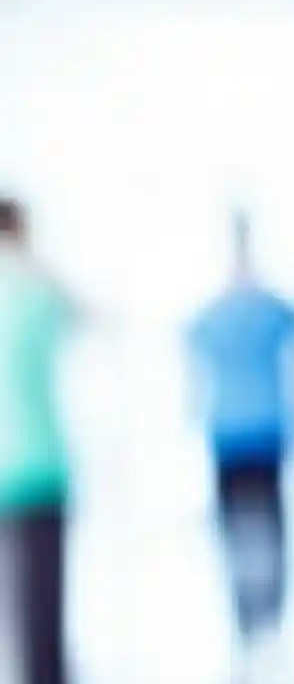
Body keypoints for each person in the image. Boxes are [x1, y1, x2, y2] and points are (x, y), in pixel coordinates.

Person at [187, 210, 294, 657]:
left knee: (240, 530)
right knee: (271, 529)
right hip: (261, 433)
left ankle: (253, 626)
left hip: (234, 435)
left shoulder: (211, 315)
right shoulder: (271, 308)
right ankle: (265, 624)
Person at [0, 196, 73, 684]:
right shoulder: (38, 290)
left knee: (15, 611)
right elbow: (87, 312)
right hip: (42, 469)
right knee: (42, 612)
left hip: (14, 470)